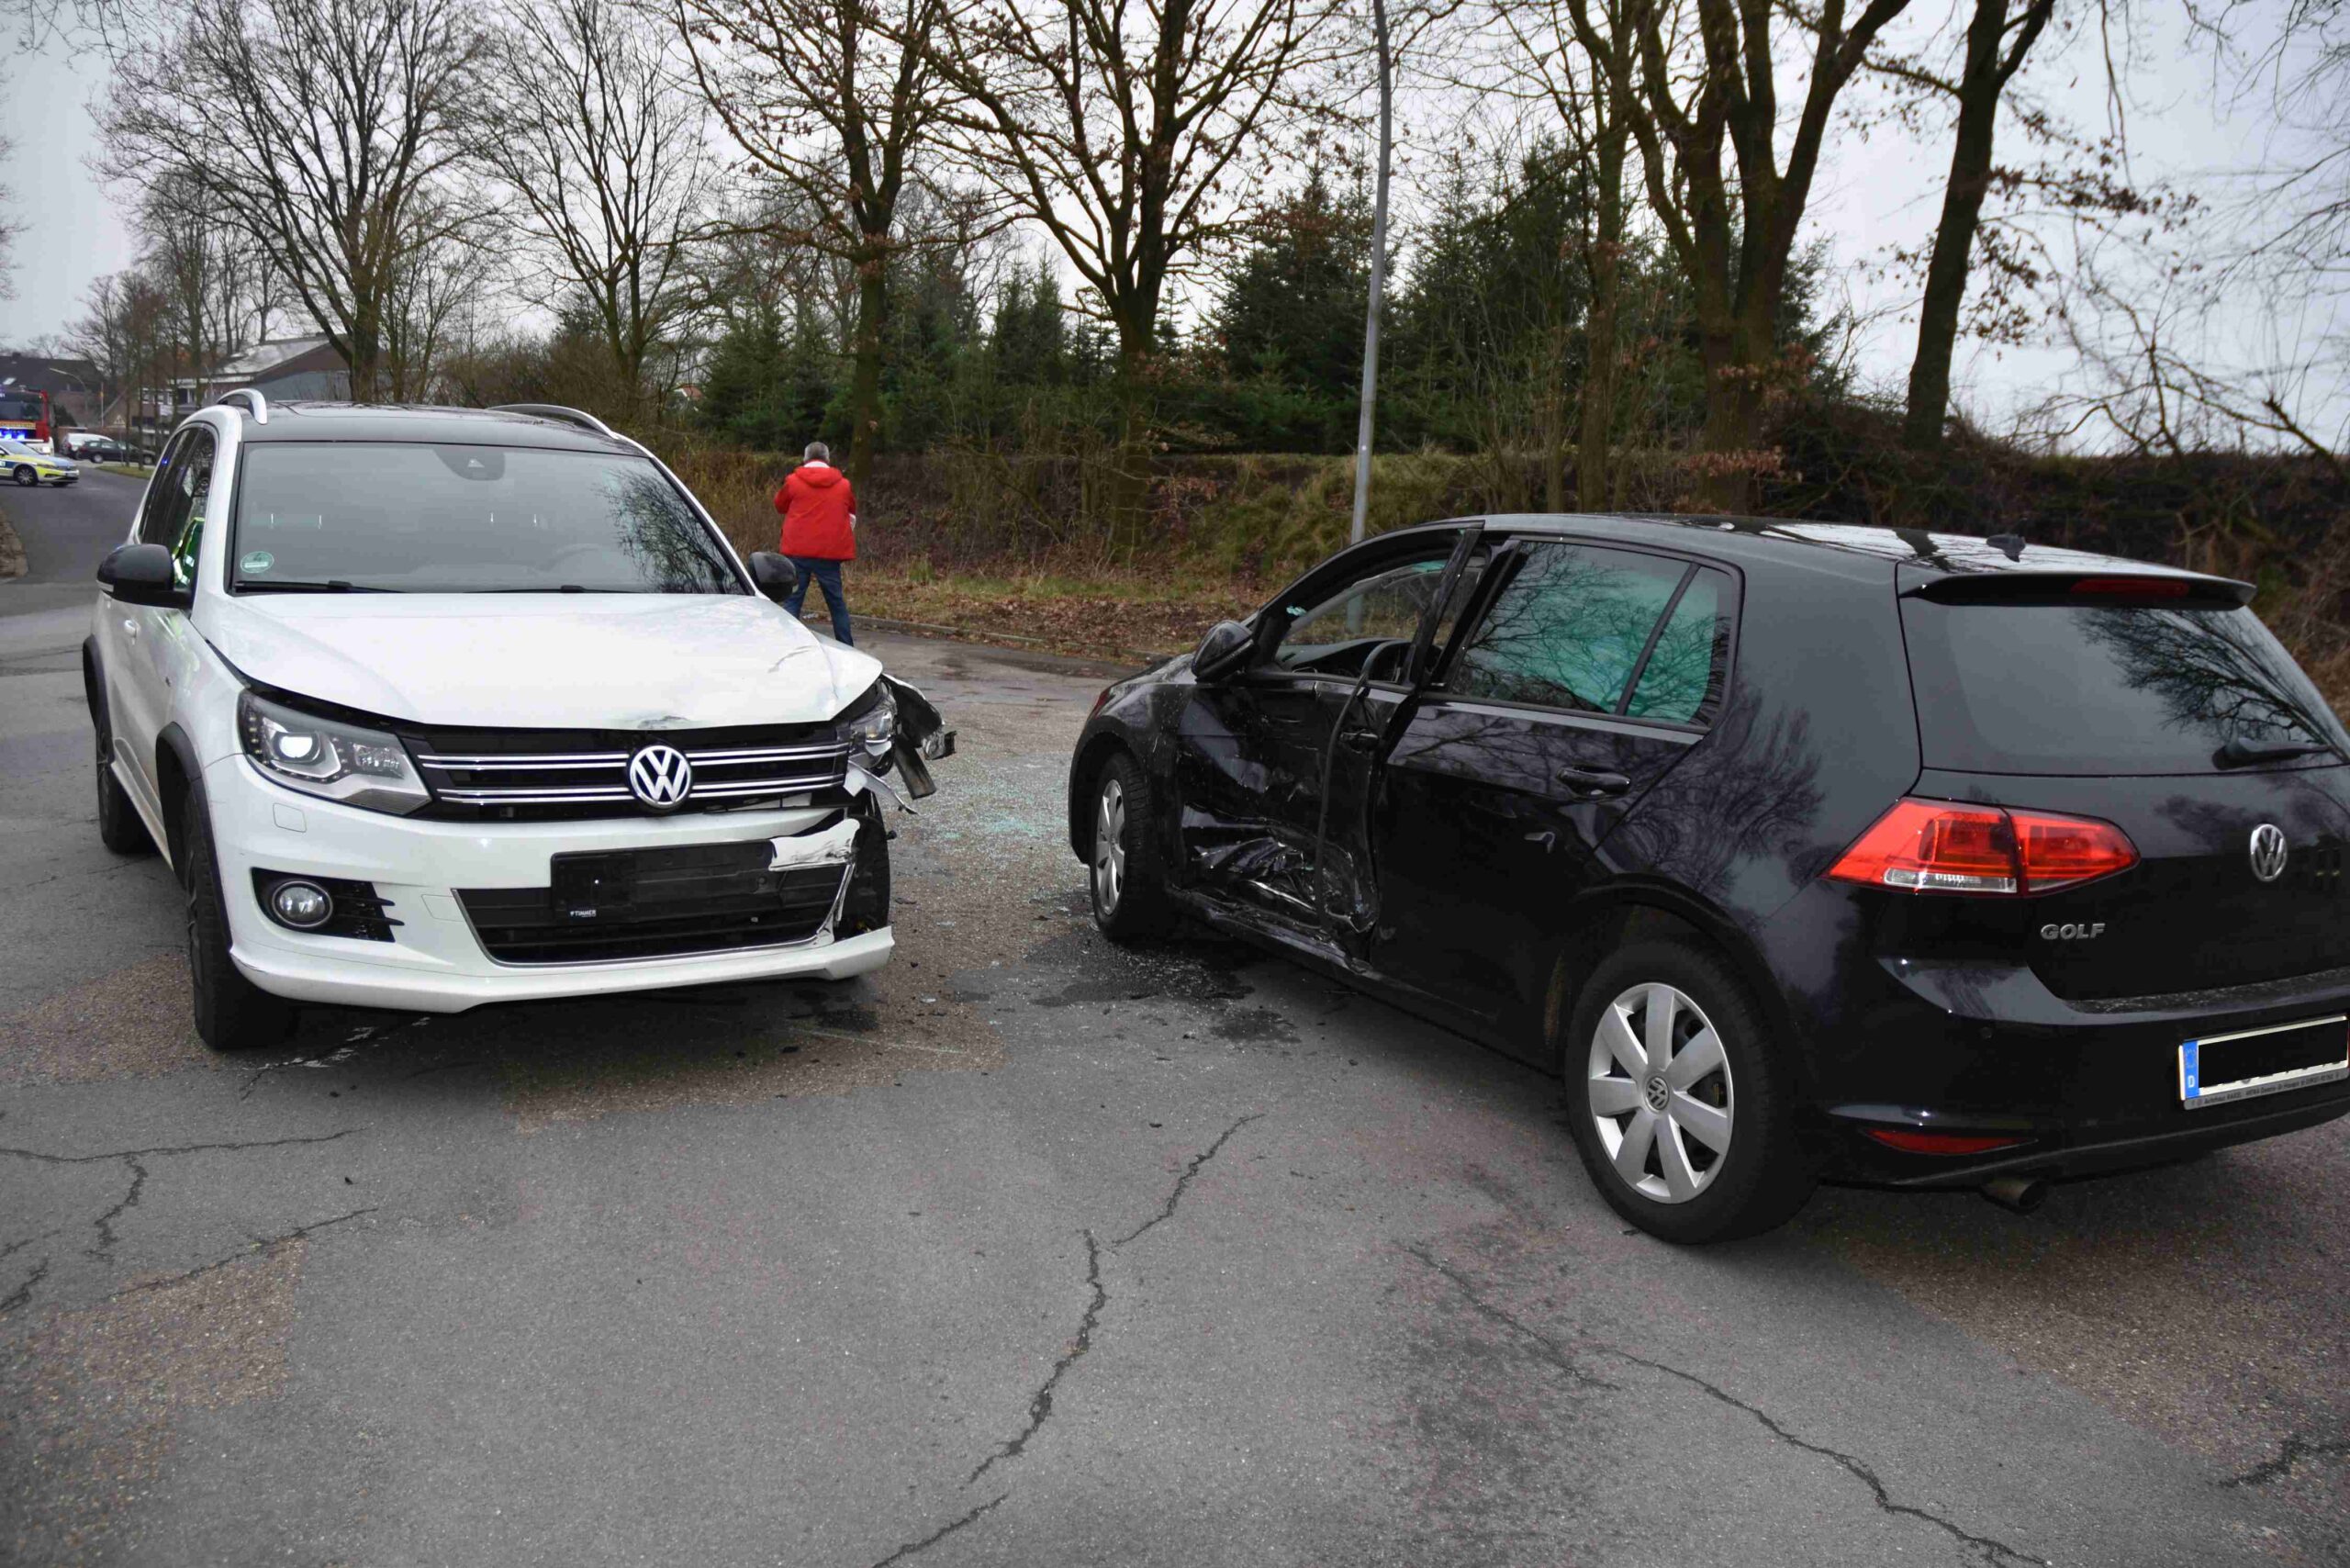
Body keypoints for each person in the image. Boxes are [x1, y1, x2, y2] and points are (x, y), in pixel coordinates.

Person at [772, 440, 856, 644]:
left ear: (805, 458)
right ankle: (847, 648)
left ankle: (786, 645)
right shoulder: (844, 485)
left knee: (793, 600)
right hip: (829, 552)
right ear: (827, 459)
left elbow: (779, 506)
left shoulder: (793, 481)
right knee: (836, 603)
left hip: (797, 550)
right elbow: (851, 510)